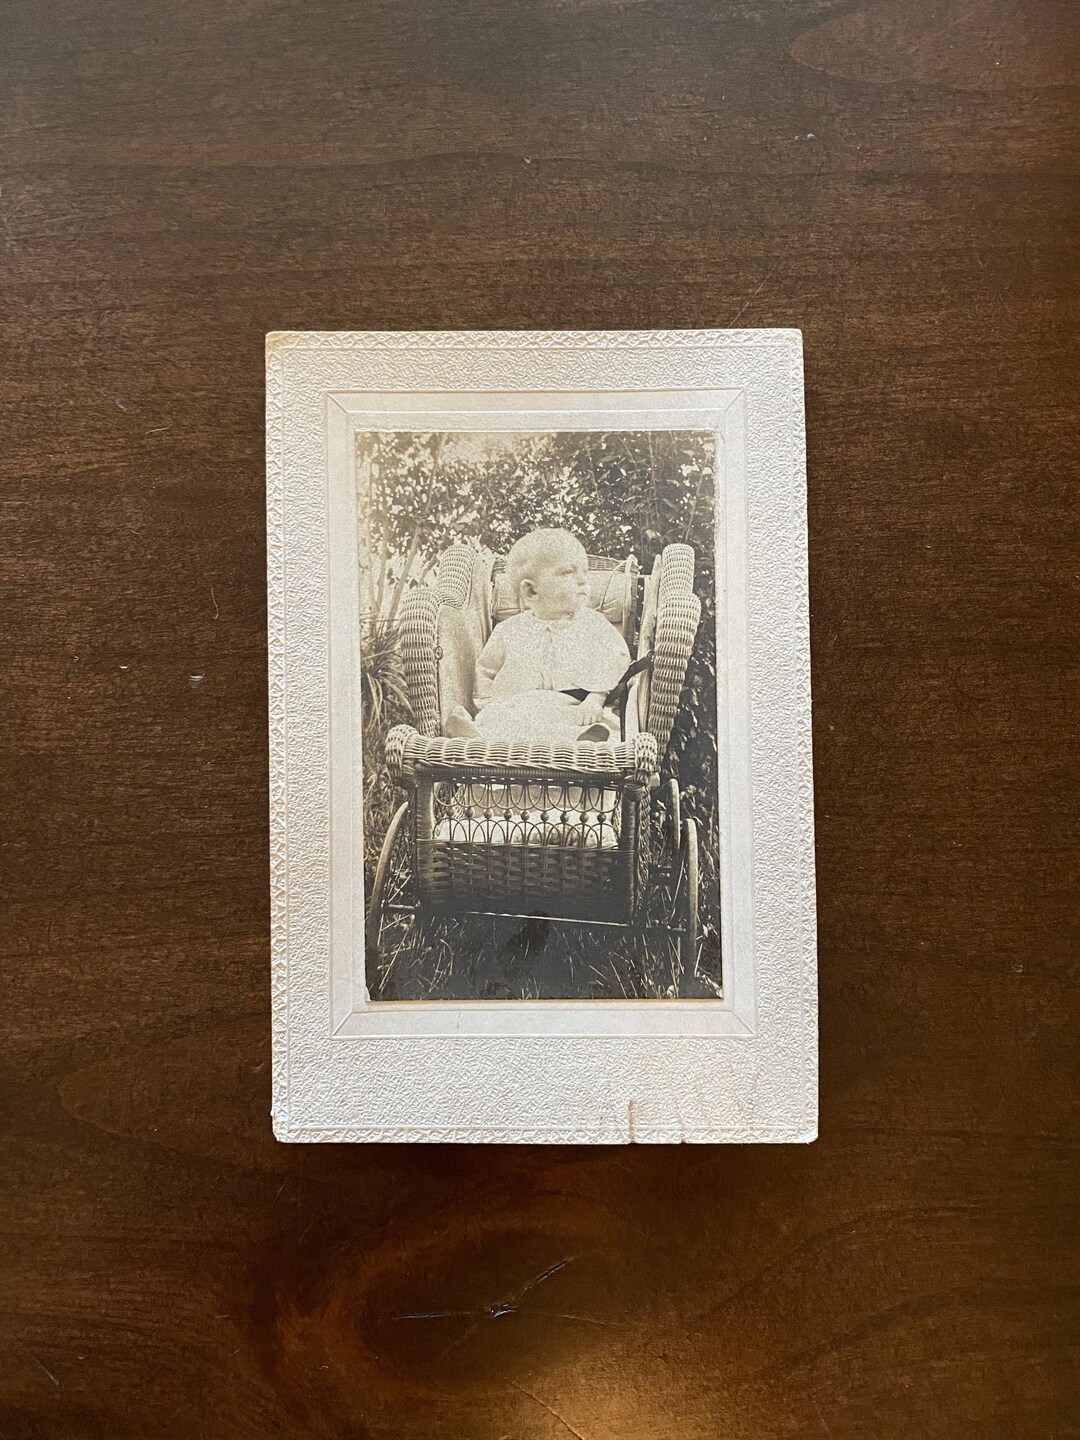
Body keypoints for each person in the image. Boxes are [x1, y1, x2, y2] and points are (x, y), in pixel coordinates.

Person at [444, 528, 631, 743]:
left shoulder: (593, 624)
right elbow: (486, 671)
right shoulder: (509, 630)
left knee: (591, 723)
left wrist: (596, 699)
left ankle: (585, 743)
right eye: (568, 573)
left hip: (573, 707)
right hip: (521, 708)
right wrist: (491, 706)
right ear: (531, 591)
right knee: (503, 718)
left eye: (584, 572)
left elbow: (615, 663)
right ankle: (478, 737)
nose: (582, 581)